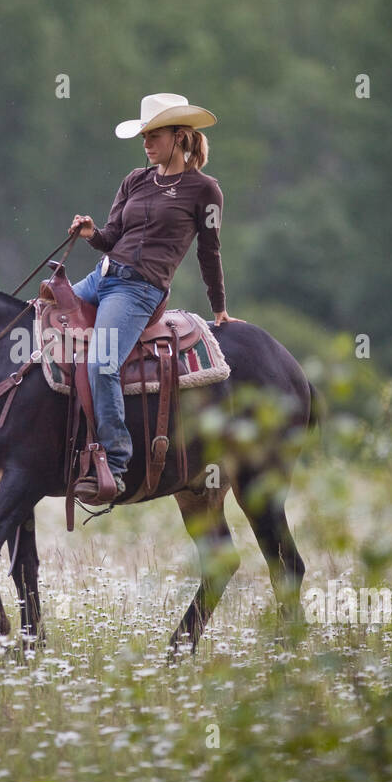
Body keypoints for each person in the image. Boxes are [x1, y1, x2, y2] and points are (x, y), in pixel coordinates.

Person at [68, 92, 244, 502]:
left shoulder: (205, 191)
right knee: (37, 318)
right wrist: (92, 232)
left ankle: (114, 460)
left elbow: (209, 252)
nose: (146, 144)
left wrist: (219, 307)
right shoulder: (135, 179)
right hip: (103, 277)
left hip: (139, 290)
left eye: (154, 136)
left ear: (180, 137)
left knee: (103, 362)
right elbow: (111, 237)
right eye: (143, 136)